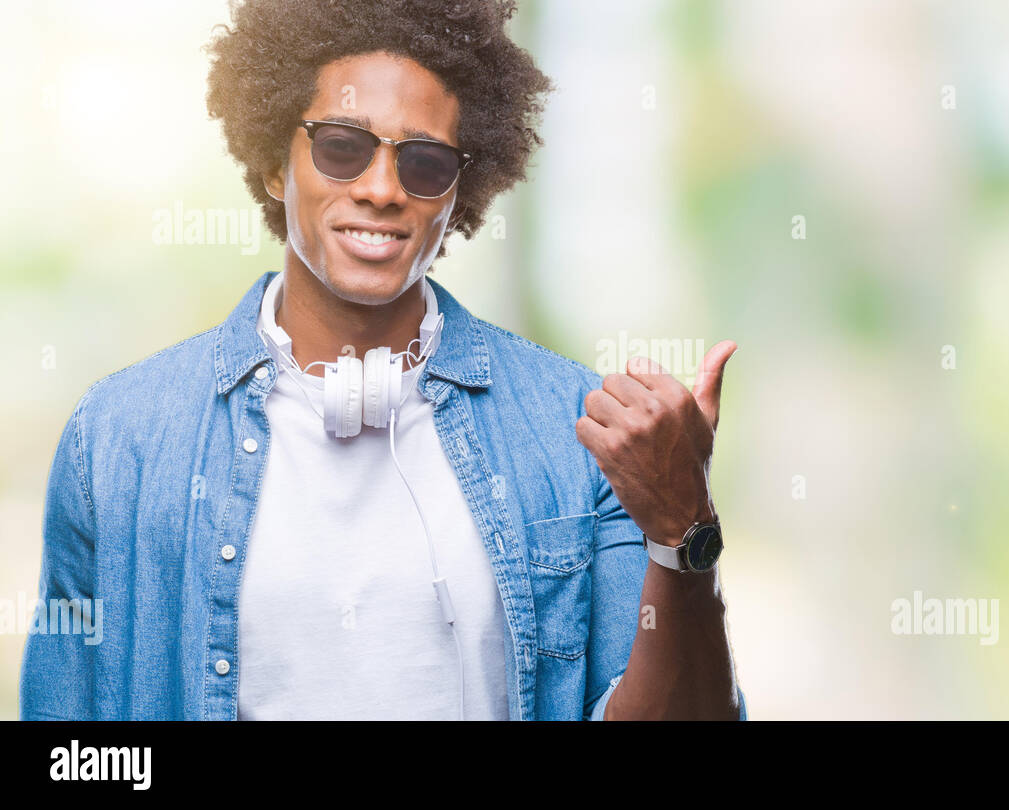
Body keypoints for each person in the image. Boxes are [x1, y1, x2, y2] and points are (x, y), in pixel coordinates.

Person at [19, 0, 746, 721]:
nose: (381, 189)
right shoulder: (118, 439)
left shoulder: (581, 436)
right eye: (342, 146)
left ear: (459, 192)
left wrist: (682, 526)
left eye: (425, 163)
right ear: (278, 163)